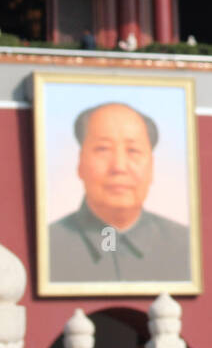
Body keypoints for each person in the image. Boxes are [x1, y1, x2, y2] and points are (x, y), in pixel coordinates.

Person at [48, 102, 190, 283]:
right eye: (103, 149)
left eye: (133, 150)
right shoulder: (50, 246)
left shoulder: (184, 246)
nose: (119, 167)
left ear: (152, 167)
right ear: (80, 163)